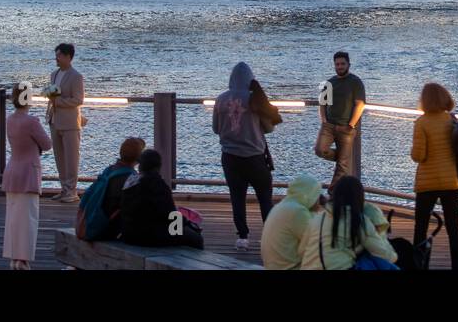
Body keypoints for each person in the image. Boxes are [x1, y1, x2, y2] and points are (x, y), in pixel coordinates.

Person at [212, 61, 281, 251]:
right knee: (264, 197)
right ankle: (268, 236)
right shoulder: (255, 99)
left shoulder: (220, 99)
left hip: (230, 157)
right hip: (255, 157)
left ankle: (242, 237)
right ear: (250, 79)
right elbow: (269, 128)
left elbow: (216, 128)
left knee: (237, 196)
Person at [411, 82, 458, 270]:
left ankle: (420, 266)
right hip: (451, 181)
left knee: (421, 228)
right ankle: (456, 267)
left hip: (428, 183)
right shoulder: (452, 120)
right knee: (453, 228)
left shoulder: (422, 123)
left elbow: (419, 155)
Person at [1, 82, 52, 269]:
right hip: (28, 173)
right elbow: (47, 144)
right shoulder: (32, 122)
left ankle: (14, 257)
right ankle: (23, 259)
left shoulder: (10, 119)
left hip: (12, 170)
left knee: (13, 218)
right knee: (28, 218)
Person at [298, 175, 397, 270]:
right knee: (371, 259)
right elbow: (386, 256)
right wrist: (380, 232)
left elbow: (301, 251)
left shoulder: (317, 218)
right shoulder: (358, 220)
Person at [120, 148, 204, 249]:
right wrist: (187, 224)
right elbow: (171, 214)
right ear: (158, 166)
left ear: (141, 166)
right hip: (147, 235)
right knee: (196, 239)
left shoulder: (130, 181)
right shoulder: (157, 184)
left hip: (129, 233)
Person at [314, 50, 366, 193]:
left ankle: (332, 193)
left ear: (349, 64)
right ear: (334, 65)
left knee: (342, 165)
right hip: (329, 126)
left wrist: (351, 125)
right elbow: (322, 105)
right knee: (320, 150)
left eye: (343, 64)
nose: (340, 66)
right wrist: (324, 121)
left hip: (346, 127)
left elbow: (360, 104)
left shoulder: (355, 82)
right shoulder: (329, 83)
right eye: (337, 64)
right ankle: (344, 157)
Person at [78, 137, 146, 241]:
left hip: (84, 225)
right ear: (139, 159)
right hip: (102, 230)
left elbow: (87, 195)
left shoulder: (109, 170)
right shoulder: (131, 178)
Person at [44, 43, 85, 203]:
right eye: (56, 55)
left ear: (68, 57)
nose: (57, 58)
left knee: (71, 157)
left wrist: (58, 101)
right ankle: (64, 188)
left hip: (70, 122)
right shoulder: (54, 74)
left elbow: (78, 99)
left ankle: (72, 191)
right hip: (54, 120)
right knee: (59, 157)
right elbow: (53, 95)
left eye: (60, 55)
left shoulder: (76, 76)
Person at [260, 173, 323, 270]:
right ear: (310, 195)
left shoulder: (283, 205)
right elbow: (314, 242)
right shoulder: (298, 212)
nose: (318, 200)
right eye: (317, 195)